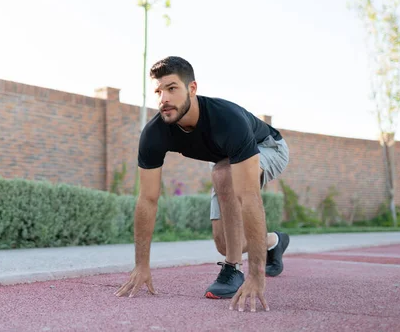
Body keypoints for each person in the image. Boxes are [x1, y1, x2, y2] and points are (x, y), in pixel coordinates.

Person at [114, 56, 290, 312]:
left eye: (172, 88)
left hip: (268, 146)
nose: (164, 98)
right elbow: (147, 199)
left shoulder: (227, 119)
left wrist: (256, 276)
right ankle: (275, 241)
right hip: (225, 161)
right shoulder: (155, 133)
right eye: (158, 91)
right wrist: (142, 265)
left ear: (192, 89)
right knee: (225, 243)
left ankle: (233, 271)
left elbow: (249, 197)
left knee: (223, 173)